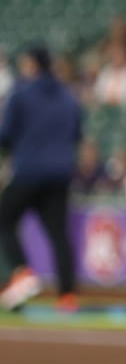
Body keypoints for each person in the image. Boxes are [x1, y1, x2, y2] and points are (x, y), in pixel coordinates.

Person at [0, 46, 83, 312]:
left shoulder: (21, 94)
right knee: (58, 233)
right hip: (60, 174)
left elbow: (5, 135)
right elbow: (77, 134)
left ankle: (22, 272)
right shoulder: (69, 97)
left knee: (3, 219)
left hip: (28, 172)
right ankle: (67, 295)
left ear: (33, 65)